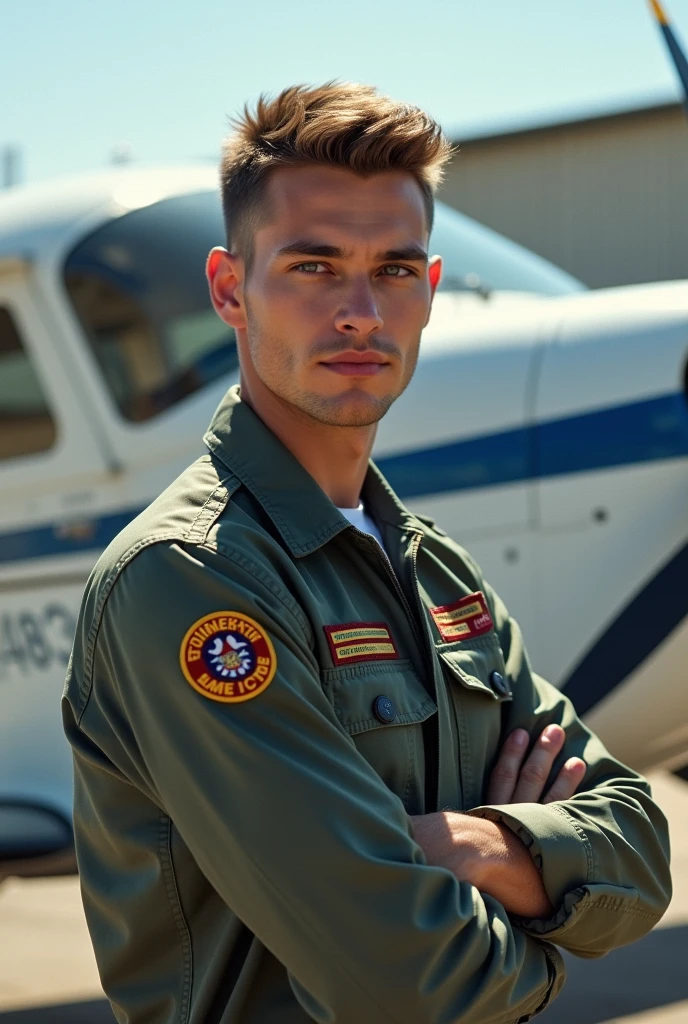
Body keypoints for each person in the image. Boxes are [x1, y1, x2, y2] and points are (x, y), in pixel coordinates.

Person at [62, 83, 671, 1023]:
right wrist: (548, 938)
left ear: (429, 293)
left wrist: (465, 845)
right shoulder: (190, 575)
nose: (359, 311)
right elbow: (403, 981)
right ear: (230, 288)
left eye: (393, 270)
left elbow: (638, 855)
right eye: (313, 267)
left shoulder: (435, 571)